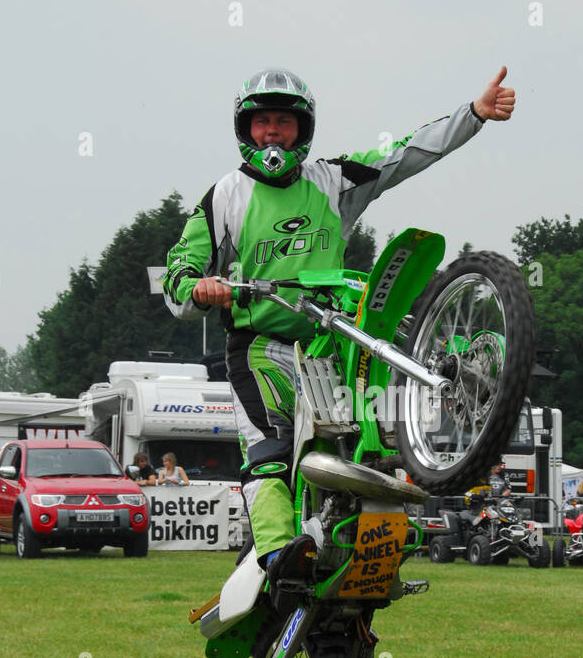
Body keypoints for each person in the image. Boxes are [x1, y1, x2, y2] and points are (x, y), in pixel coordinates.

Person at [163, 65, 516, 595]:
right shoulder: (223, 198)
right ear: (246, 129)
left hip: (331, 340)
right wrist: (198, 288)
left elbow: (404, 153)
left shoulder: (334, 180)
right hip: (260, 346)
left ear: (302, 130)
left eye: (285, 121)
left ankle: (374, 538)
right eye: (263, 123)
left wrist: (473, 115)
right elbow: (176, 276)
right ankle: (279, 556)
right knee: (269, 450)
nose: (273, 132)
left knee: (366, 440)